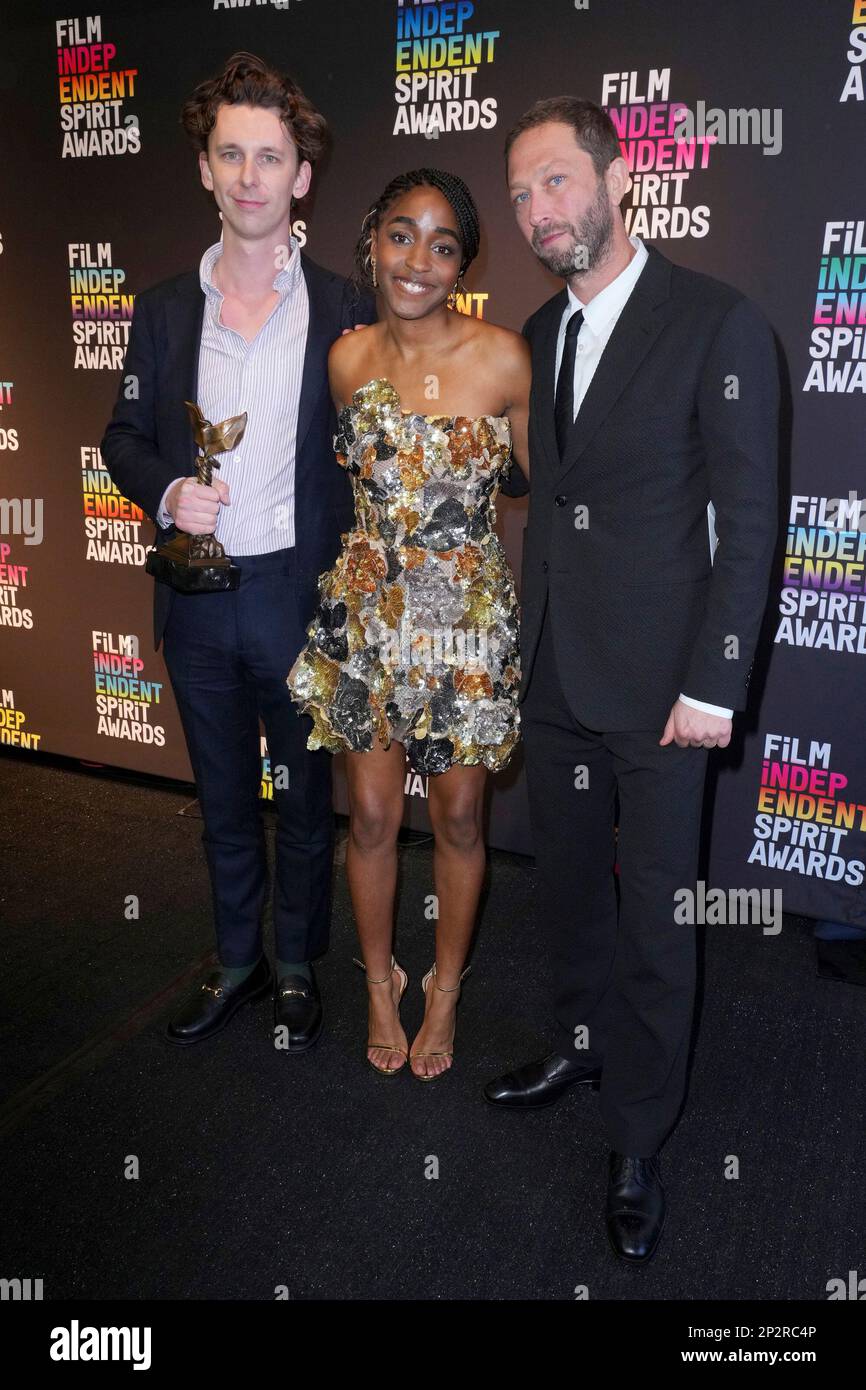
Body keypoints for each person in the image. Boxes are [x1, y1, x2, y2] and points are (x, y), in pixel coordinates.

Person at [486, 97, 780, 1262]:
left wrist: (713, 684)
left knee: (658, 916)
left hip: (663, 692)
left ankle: (641, 1131)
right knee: (567, 890)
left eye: (555, 181)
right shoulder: (533, 333)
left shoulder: (715, 323)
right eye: (518, 193)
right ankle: (575, 1035)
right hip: (555, 673)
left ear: (620, 184)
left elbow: (748, 522)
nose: (536, 209)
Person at [101, 52, 374, 1051]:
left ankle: (298, 964)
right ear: (205, 170)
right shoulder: (164, 307)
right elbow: (120, 436)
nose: (251, 175)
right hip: (196, 592)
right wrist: (169, 489)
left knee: (305, 803)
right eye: (232, 155)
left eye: (271, 156)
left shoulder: (349, 308)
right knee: (220, 798)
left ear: (302, 174)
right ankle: (237, 960)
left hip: (298, 594)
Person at [287, 169, 531, 1080]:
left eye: (441, 244)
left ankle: (449, 987)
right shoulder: (345, 359)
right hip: (372, 616)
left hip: (463, 622)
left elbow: (549, 482)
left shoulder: (508, 359)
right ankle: (382, 985)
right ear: (372, 241)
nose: (417, 260)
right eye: (402, 234)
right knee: (376, 816)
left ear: (462, 261)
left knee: (462, 817)